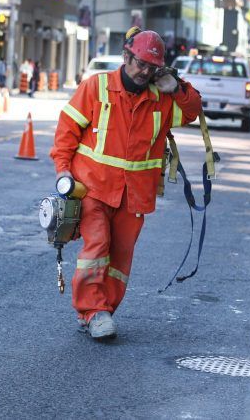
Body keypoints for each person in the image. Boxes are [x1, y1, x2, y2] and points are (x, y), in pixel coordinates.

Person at [50, 27, 202, 340]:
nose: (144, 72)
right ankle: (92, 310)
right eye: (140, 64)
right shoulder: (97, 87)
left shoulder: (160, 100)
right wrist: (63, 170)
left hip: (134, 195)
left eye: (151, 68)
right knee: (97, 247)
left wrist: (178, 87)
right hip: (91, 188)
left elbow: (193, 111)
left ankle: (104, 309)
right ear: (126, 56)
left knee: (120, 257)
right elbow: (67, 129)